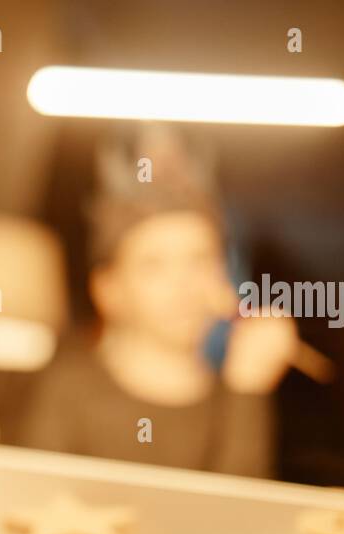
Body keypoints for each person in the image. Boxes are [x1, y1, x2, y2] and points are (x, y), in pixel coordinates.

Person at [20, 125, 296, 477]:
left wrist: (248, 388)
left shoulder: (237, 397)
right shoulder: (65, 391)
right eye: (154, 265)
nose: (185, 286)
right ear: (109, 290)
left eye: (200, 260)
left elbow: (233, 521)